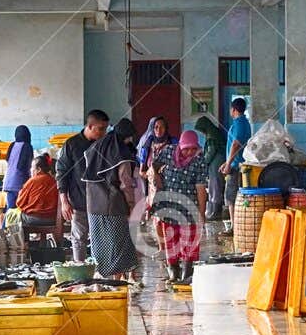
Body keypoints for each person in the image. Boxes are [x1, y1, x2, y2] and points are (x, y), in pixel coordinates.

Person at [82, 117, 141, 283]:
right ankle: (116, 280)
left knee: (100, 244)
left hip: (93, 205)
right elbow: (125, 184)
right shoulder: (121, 154)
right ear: (126, 137)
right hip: (113, 206)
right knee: (118, 244)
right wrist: (131, 205)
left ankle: (104, 277)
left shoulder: (95, 148)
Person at [149, 129, 208, 285]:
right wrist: (156, 176)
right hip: (169, 204)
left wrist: (201, 214)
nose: (189, 152)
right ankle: (173, 271)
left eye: (193, 148)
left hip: (190, 207)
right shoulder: (168, 151)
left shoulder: (199, 160)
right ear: (180, 145)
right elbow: (154, 165)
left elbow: (201, 189)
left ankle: (187, 273)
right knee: (171, 238)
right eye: (186, 148)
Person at [56, 110, 110, 261]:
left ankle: (100, 272)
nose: (104, 132)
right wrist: (64, 201)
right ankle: (80, 272)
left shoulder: (103, 145)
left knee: (100, 239)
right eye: (101, 128)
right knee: (79, 239)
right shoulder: (72, 145)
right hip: (78, 201)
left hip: (100, 202)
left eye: (106, 128)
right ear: (90, 126)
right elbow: (62, 173)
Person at [215, 97, 252, 223]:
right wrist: (226, 162)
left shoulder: (240, 124)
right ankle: (235, 225)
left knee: (232, 197)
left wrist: (229, 164)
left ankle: (234, 227)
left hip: (236, 166)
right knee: (234, 196)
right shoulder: (242, 123)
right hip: (235, 163)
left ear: (234, 109)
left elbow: (236, 144)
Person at [14, 152, 63, 243]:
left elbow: (19, 203)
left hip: (34, 219)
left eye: (32, 167)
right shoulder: (54, 181)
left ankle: (19, 246)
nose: (30, 170)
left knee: (11, 215)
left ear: (39, 169)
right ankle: (43, 244)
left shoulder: (32, 181)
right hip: (53, 219)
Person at [3, 125, 33, 211]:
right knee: (20, 210)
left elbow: (8, 160)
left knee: (10, 211)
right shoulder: (27, 146)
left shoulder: (12, 145)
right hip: (20, 183)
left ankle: (5, 225)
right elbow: (29, 166)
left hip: (8, 182)